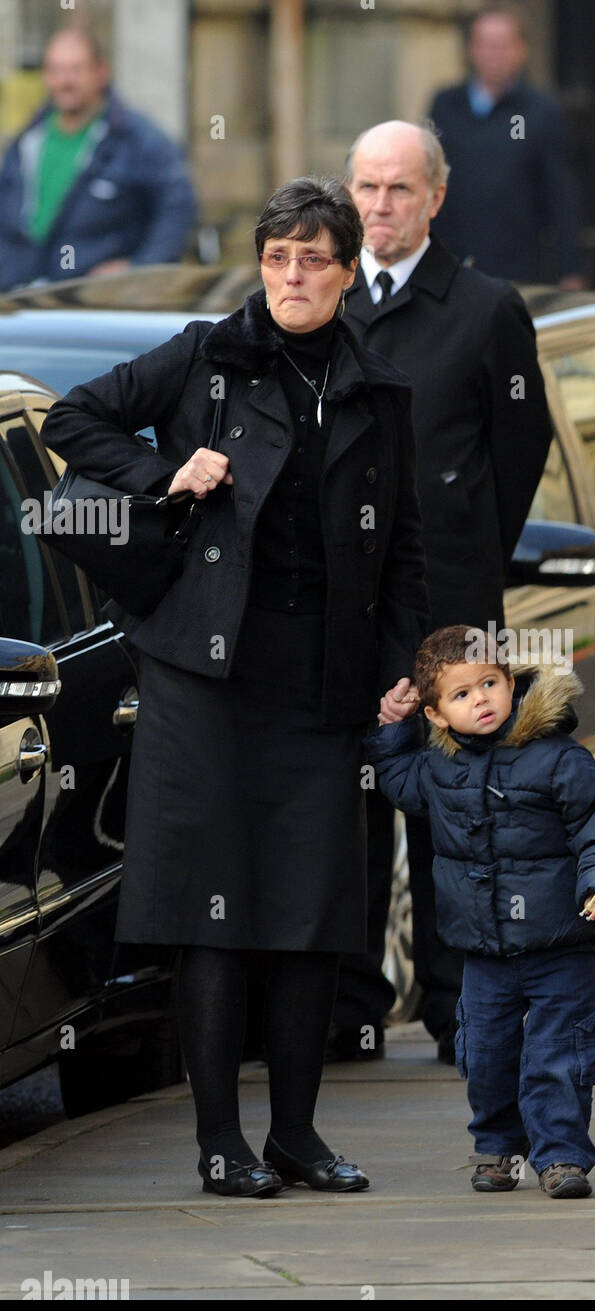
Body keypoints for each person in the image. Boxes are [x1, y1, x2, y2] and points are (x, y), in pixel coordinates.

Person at [40, 176, 428, 1198]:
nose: (293, 277)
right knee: (215, 917)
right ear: (261, 265)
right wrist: (162, 476)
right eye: (277, 258)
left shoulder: (379, 390)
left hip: (320, 684)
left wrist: (400, 671)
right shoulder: (209, 355)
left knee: (307, 920)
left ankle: (295, 1133)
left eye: (313, 260)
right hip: (203, 678)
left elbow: (404, 553)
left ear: (348, 272)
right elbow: (74, 421)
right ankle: (220, 1142)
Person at [333, 119, 552, 1064]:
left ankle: (458, 1005)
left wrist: (468, 557)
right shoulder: (320, 298)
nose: (380, 208)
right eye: (366, 190)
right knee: (344, 802)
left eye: (399, 191)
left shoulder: (484, 307)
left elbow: (520, 448)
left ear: (436, 199)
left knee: (452, 808)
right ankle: (347, 1002)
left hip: (450, 615)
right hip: (340, 607)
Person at [367, 625, 595, 1198]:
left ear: (510, 682)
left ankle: (561, 1157)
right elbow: (397, 783)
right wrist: (392, 727)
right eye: (462, 695)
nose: (481, 700)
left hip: (559, 941)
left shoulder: (556, 757)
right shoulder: (438, 769)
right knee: (485, 1055)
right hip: (483, 952)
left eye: (490, 684)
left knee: (558, 1054)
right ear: (436, 716)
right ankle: (496, 1149)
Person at [0, 27, 197, 293]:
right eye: (55, 70)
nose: (64, 81)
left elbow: (177, 207)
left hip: (94, 304)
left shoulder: (138, 139)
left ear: (100, 72)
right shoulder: (27, 140)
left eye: (76, 70)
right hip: (20, 299)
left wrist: (141, 269)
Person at [428, 5, 584, 286]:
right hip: (450, 261)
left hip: (515, 267)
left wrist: (569, 268)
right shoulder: (446, 105)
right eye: (486, 45)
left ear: (521, 50)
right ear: (472, 49)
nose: (494, 54)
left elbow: (560, 194)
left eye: (503, 45)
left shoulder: (541, 111)